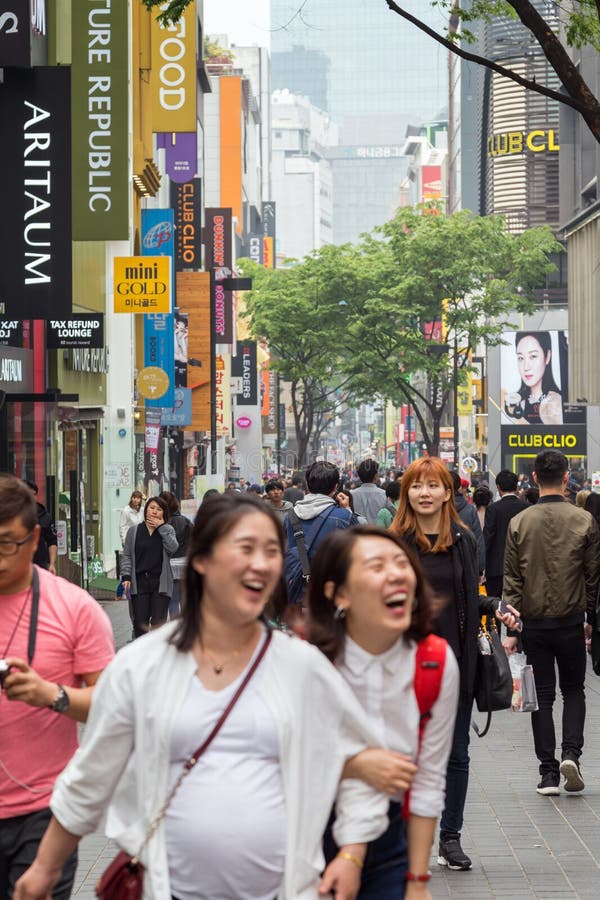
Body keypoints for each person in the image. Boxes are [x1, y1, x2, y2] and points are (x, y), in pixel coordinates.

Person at [15, 493, 390, 900]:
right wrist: (44, 870)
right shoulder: (143, 665)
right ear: (202, 561)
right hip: (165, 889)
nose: (261, 563)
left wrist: (351, 855)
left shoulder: (302, 668)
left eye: (271, 551)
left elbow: (363, 761)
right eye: (245, 548)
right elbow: (89, 781)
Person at [309, 526, 460, 899]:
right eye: (376, 565)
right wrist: (354, 765)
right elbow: (276, 758)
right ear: (338, 593)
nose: (396, 574)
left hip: (390, 839)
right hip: (303, 832)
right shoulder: (307, 664)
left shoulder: (434, 661)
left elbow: (428, 778)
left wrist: (418, 880)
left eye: (401, 563)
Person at [390, 457, 518, 871]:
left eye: (433, 486)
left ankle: (450, 837)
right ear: (406, 493)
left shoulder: (463, 540)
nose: (424, 493)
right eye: (416, 486)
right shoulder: (394, 543)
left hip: (455, 665)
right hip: (404, 667)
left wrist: (495, 605)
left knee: (457, 755)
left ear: (449, 493)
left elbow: (468, 595)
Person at [0, 474, 114, 900]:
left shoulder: (74, 608)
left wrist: (52, 695)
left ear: (33, 539)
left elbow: (112, 705)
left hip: (44, 811)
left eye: (7, 542)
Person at [503, 450, 600, 796]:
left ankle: (547, 774)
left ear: (532, 479)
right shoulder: (584, 520)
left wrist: (511, 628)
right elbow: (593, 576)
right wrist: (589, 617)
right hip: (572, 620)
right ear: (566, 478)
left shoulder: (520, 522)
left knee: (541, 695)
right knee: (574, 690)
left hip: (532, 623)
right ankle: (571, 753)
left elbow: (511, 579)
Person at [284, 461, 358, 605]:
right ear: (336, 486)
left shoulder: (290, 516)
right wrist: (348, 510)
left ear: (307, 483)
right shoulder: (344, 517)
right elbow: (358, 546)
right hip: (332, 592)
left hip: (298, 590)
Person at [120, 496, 179, 638]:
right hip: (139, 583)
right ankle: (142, 655)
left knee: (159, 624)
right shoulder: (134, 531)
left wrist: (162, 527)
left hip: (160, 583)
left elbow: (173, 548)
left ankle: (157, 656)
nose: (154, 511)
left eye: (159, 509)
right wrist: (126, 576)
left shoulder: (167, 530)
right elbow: (127, 556)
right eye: (152, 508)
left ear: (163, 513)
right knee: (140, 624)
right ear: (146, 510)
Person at [504, 332, 563, 425]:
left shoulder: (557, 403)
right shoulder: (516, 405)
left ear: (547, 356)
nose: (526, 367)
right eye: (520, 358)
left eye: (533, 356)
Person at [483, 470, 525, 600]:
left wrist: (482, 566)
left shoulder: (493, 509)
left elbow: (488, 537)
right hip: (522, 566)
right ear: (516, 487)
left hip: (496, 567)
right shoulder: (527, 507)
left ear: (498, 488)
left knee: (496, 604)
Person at [159, 491, 192, 619]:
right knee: (184, 600)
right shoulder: (186, 521)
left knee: (172, 600)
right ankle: (185, 629)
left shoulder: (163, 524)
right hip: (185, 563)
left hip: (169, 565)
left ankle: (174, 628)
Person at [449, 471, 485, 575]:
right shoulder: (470, 510)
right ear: (458, 486)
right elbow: (478, 540)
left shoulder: (435, 509)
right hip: (468, 567)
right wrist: (479, 569)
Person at [25, 482, 57, 575]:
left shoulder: (44, 516)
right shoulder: (13, 514)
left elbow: (52, 541)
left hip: (41, 565)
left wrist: (52, 564)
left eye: (33, 494)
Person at [351, 459, 387, 524]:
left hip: (357, 532)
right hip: (378, 533)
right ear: (376, 476)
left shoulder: (351, 495)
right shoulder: (384, 495)